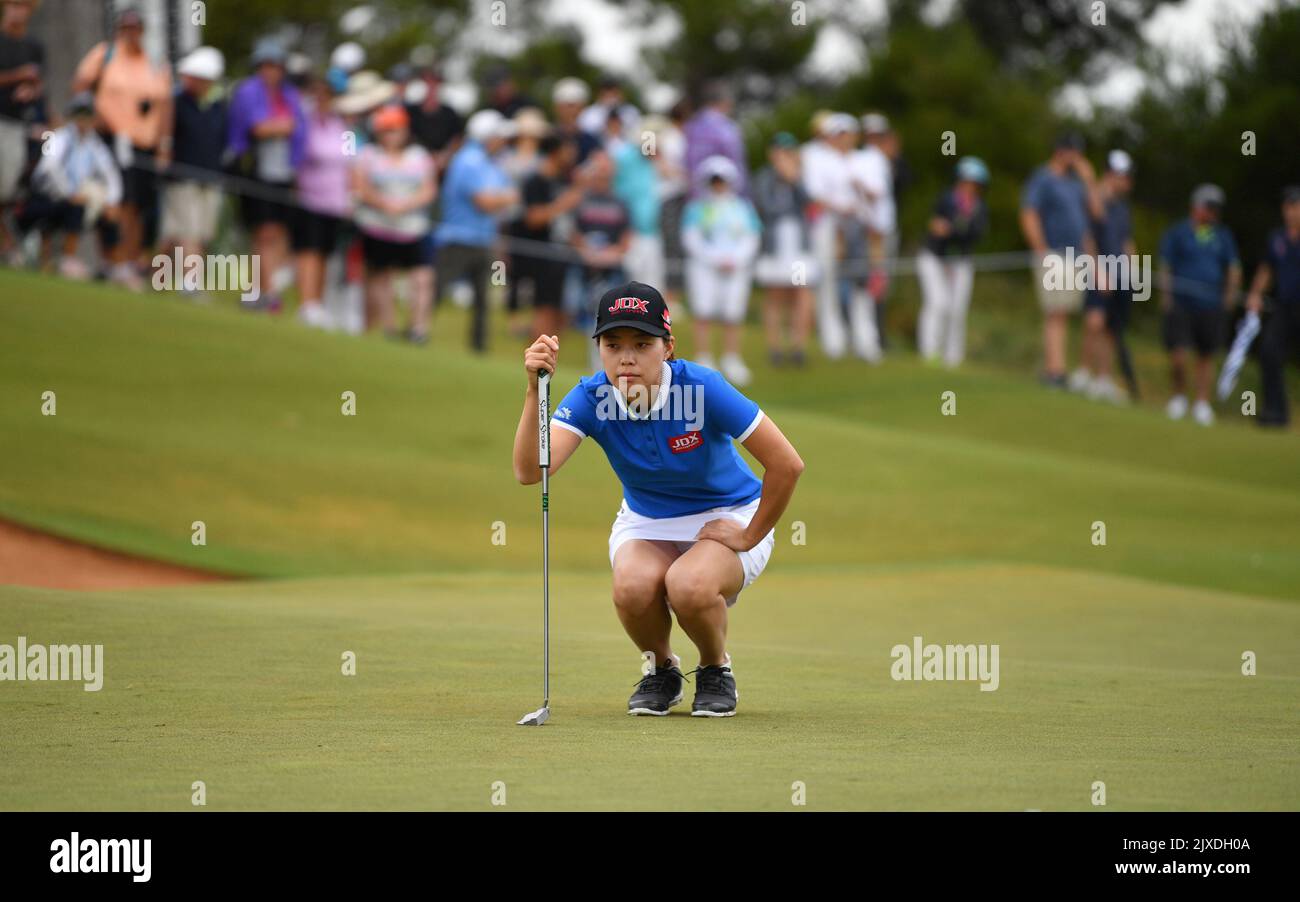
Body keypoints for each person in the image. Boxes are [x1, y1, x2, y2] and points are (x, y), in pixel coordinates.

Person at [513, 281, 805, 717]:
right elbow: (530, 470)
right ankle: (662, 670)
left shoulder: (703, 387)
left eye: (642, 343)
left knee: (688, 584)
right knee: (631, 587)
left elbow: (786, 464)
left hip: (729, 513)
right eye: (612, 344)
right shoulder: (592, 397)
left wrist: (749, 534)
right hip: (647, 520)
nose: (626, 357)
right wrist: (535, 391)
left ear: (667, 347)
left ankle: (714, 668)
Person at [71, 4, 173, 290]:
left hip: (143, 146)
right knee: (115, 201)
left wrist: (165, 144)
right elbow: (80, 86)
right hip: (110, 141)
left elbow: (165, 105)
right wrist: (99, 118)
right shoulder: (105, 54)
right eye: (125, 28)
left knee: (138, 205)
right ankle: (112, 260)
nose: (131, 33)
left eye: (135, 28)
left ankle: (128, 262)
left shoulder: (154, 61)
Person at [225, 39, 307, 312]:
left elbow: (297, 128)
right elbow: (256, 128)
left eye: (275, 66)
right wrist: (280, 127)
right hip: (255, 171)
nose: (271, 71)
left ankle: (264, 289)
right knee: (263, 231)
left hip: (284, 174)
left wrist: (279, 127)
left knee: (278, 232)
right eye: (266, 65)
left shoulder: (289, 95)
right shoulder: (248, 91)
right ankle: (263, 291)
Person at [1019, 133, 1100, 388]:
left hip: (1076, 256)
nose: (1077, 157)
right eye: (1073, 151)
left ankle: (1057, 369)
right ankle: (1055, 371)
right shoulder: (1043, 178)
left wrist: (1089, 181)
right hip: (1054, 253)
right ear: (1061, 150)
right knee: (1055, 312)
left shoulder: (1077, 184)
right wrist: (1041, 249)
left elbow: (1095, 214)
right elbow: (1029, 213)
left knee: (1063, 314)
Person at [435, 108, 518, 352]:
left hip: (483, 239)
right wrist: (503, 198)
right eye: (498, 136)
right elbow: (485, 202)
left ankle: (478, 349)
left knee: (483, 301)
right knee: (437, 291)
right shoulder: (467, 160)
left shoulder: (491, 163)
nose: (502, 141)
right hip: (458, 238)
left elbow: (505, 197)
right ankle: (417, 332)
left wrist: (501, 198)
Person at [1157, 184, 1241, 426]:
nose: (1212, 213)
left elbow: (1233, 267)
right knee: (1178, 354)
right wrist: (1166, 296)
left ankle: (1202, 402)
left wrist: (1230, 295)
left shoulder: (1222, 236)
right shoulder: (1179, 232)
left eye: (1215, 209)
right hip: (1182, 301)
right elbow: (1166, 265)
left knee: (1206, 354)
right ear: (1196, 206)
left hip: (1211, 303)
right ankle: (1179, 397)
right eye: (1208, 207)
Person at [352, 104, 436, 342]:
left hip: (413, 228)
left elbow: (429, 189)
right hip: (378, 227)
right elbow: (360, 186)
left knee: (421, 278)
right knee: (381, 277)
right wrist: (383, 204)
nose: (391, 135)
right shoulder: (369, 155)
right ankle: (387, 328)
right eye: (386, 130)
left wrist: (404, 205)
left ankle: (417, 330)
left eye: (395, 129)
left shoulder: (419, 156)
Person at [20, 92, 120, 278]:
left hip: (75, 199)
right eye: (80, 114)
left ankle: (109, 267)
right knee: (76, 208)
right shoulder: (60, 138)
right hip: (47, 197)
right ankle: (64, 260)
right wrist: (69, 193)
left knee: (109, 218)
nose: (84, 120)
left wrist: (112, 201)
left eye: (88, 115)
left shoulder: (95, 144)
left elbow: (111, 174)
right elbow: (50, 168)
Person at [682, 155, 761, 385]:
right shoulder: (697, 208)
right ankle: (704, 355)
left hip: (736, 267)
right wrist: (714, 258)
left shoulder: (742, 207)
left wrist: (736, 258)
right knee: (703, 310)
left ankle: (731, 357)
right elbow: (691, 238)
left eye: (722, 180)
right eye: (714, 181)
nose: (718, 185)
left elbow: (751, 236)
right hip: (705, 267)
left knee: (733, 312)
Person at [157, 46, 225, 295]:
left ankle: (156, 277)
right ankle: (190, 283)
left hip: (211, 176)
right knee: (189, 231)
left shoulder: (218, 104)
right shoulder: (176, 100)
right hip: (182, 176)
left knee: (190, 233)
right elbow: (164, 134)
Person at [916, 156, 989, 369]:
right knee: (937, 303)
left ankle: (954, 356)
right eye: (965, 182)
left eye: (974, 184)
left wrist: (952, 230)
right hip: (935, 259)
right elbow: (936, 228)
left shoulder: (980, 208)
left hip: (961, 261)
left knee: (957, 308)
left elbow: (974, 234)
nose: (968, 188)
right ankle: (929, 351)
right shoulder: (946, 199)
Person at [293, 73, 352, 329]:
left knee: (325, 253)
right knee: (309, 251)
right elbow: (308, 153)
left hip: (336, 201)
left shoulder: (343, 128)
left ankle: (318, 304)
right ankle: (306, 303)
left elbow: (351, 162)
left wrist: (352, 194)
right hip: (310, 198)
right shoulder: (306, 122)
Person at [752, 132, 815, 367]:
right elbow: (767, 207)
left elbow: (808, 203)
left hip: (798, 244)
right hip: (774, 245)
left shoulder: (800, 177)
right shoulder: (763, 178)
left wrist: (794, 180)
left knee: (801, 292)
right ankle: (775, 347)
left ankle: (798, 346)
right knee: (775, 295)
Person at [1079, 150, 1137, 402]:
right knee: (1094, 321)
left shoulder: (1122, 209)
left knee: (1111, 329)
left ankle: (1103, 378)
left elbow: (1126, 241)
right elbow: (1088, 236)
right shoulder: (1096, 200)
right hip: (1097, 267)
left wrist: (1132, 270)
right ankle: (1083, 373)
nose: (1127, 182)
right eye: (1123, 176)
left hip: (1118, 272)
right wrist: (1097, 270)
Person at [802, 113, 861, 360]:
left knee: (855, 282)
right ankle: (832, 338)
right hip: (825, 225)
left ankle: (856, 337)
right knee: (825, 281)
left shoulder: (853, 158)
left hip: (853, 226)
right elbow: (815, 193)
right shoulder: (812, 155)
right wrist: (841, 208)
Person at [516, 132, 584, 339]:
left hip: (563, 254)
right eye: (568, 148)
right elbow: (533, 218)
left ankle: (550, 362)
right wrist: (563, 204)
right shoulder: (535, 181)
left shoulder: (565, 179)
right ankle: (537, 362)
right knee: (544, 308)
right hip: (542, 254)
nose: (573, 153)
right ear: (555, 151)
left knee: (561, 311)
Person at [1244, 186, 1300, 428]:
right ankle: (1275, 411)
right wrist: (1255, 294)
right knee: (1268, 351)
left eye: (1296, 206)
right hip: (1285, 306)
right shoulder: (1277, 238)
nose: (1291, 212)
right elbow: (1267, 269)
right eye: (1288, 206)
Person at [571, 150, 631, 370]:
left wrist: (613, 253)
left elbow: (627, 236)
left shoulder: (620, 203)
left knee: (612, 318)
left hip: (612, 269)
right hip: (586, 268)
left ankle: (610, 364)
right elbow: (574, 232)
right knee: (588, 317)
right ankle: (595, 365)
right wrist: (586, 251)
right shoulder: (583, 201)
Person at [0, 0, 44, 261]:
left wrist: (31, 90)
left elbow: (38, 84)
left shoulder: (33, 47)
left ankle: (7, 244)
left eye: (25, 6)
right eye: (15, 5)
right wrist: (19, 75)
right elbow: (22, 74)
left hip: (17, 124)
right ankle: (7, 244)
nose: (19, 10)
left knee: (7, 188)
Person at [849, 113, 894, 359]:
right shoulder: (862, 158)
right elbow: (870, 194)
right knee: (863, 287)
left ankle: (872, 338)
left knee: (875, 287)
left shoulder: (881, 160)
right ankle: (864, 340)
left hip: (879, 233)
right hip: (866, 232)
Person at [683, 81, 745, 197]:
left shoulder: (690, 127)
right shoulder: (728, 129)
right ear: (726, 103)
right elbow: (738, 168)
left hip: (695, 199)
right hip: (723, 200)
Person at [405, 65, 463, 172]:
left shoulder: (449, 113)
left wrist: (445, 156)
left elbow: (457, 138)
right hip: (416, 165)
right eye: (426, 82)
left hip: (445, 166)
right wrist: (428, 157)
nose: (430, 86)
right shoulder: (410, 112)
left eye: (434, 82)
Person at [550, 77, 600, 165]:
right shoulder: (547, 137)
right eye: (565, 105)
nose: (570, 110)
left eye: (573, 105)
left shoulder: (591, 140)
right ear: (556, 108)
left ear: (582, 107)